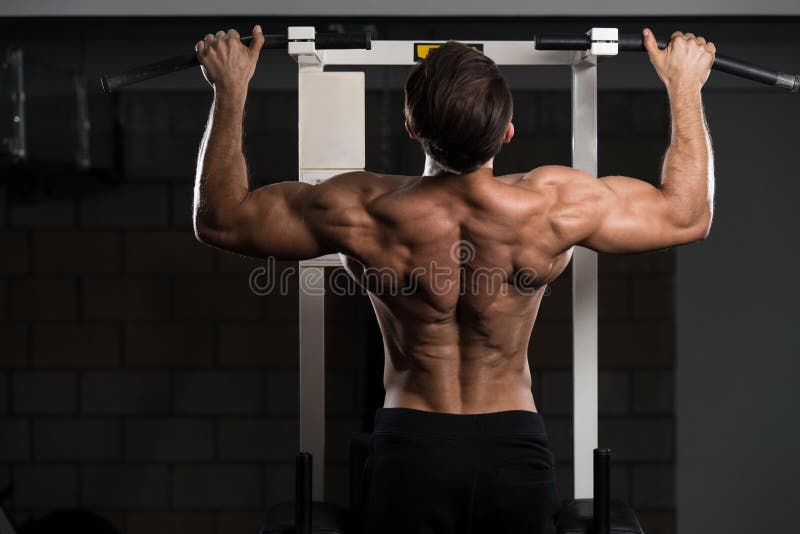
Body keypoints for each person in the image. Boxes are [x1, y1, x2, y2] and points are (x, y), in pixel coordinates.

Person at [193, 25, 715, 534]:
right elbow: (687, 216)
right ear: (507, 131)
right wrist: (685, 86)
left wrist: (230, 89)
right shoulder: (554, 207)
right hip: (514, 449)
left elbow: (220, 220)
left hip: (411, 451)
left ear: (411, 126)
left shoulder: (361, 209)